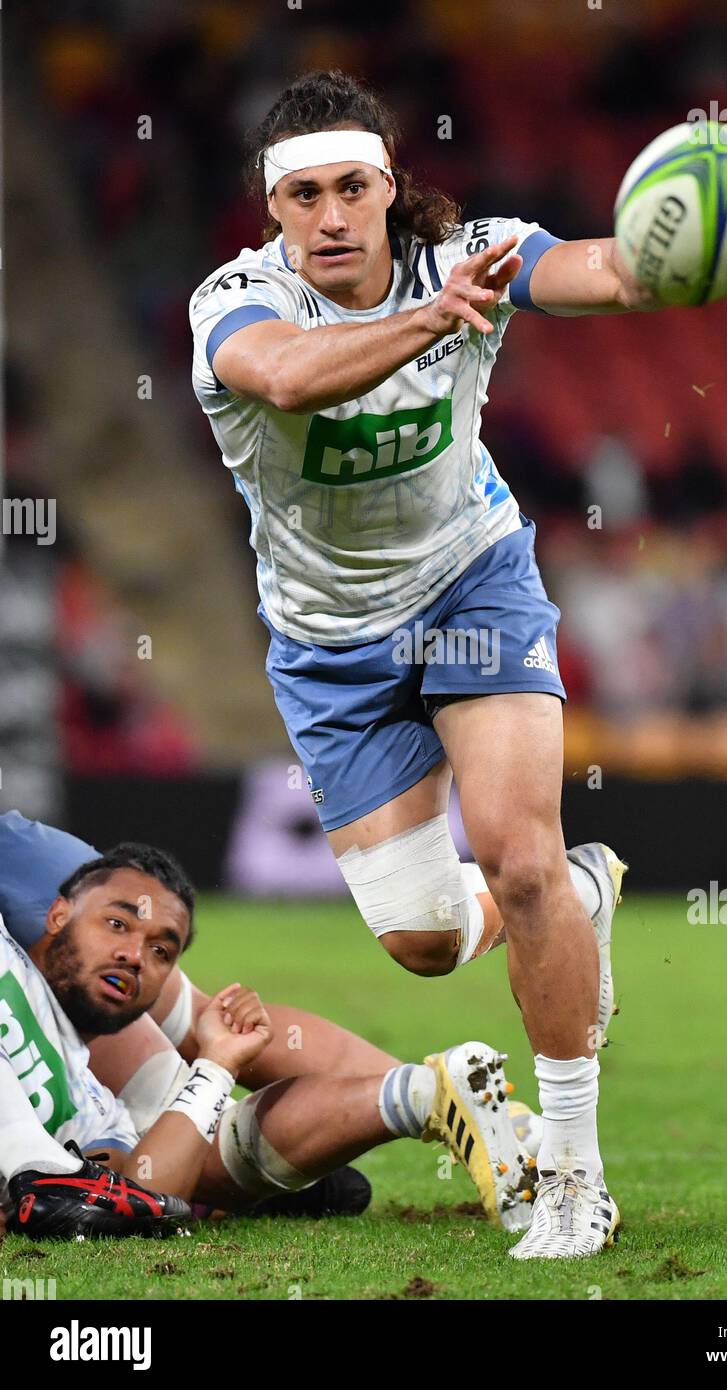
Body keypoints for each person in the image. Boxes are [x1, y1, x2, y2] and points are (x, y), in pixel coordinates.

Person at [188, 69, 641, 1258]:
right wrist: (434, 322)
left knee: (518, 853)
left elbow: (598, 271)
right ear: (270, 209)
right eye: (304, 196)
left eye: (353, 187)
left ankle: (574, 1177)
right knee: (426, 941)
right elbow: (287, 376)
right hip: (331, 643)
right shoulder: (233, 303)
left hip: (470, 584)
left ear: (392, 186)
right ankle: (579, 895)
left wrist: (666, 247)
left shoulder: (468, 253)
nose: (331, 217)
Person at [0, 818, 536, 1239]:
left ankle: (433, 1094)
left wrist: (216, 1066)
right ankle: (434, 1094)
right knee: (190, 1119)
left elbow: (136, 1197)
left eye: (161, 951)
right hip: (34, 874)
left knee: (194, 1132)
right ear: (57, 914)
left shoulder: (92, 1101)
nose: (136, 956)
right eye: (117, 925)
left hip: (73, 1038)